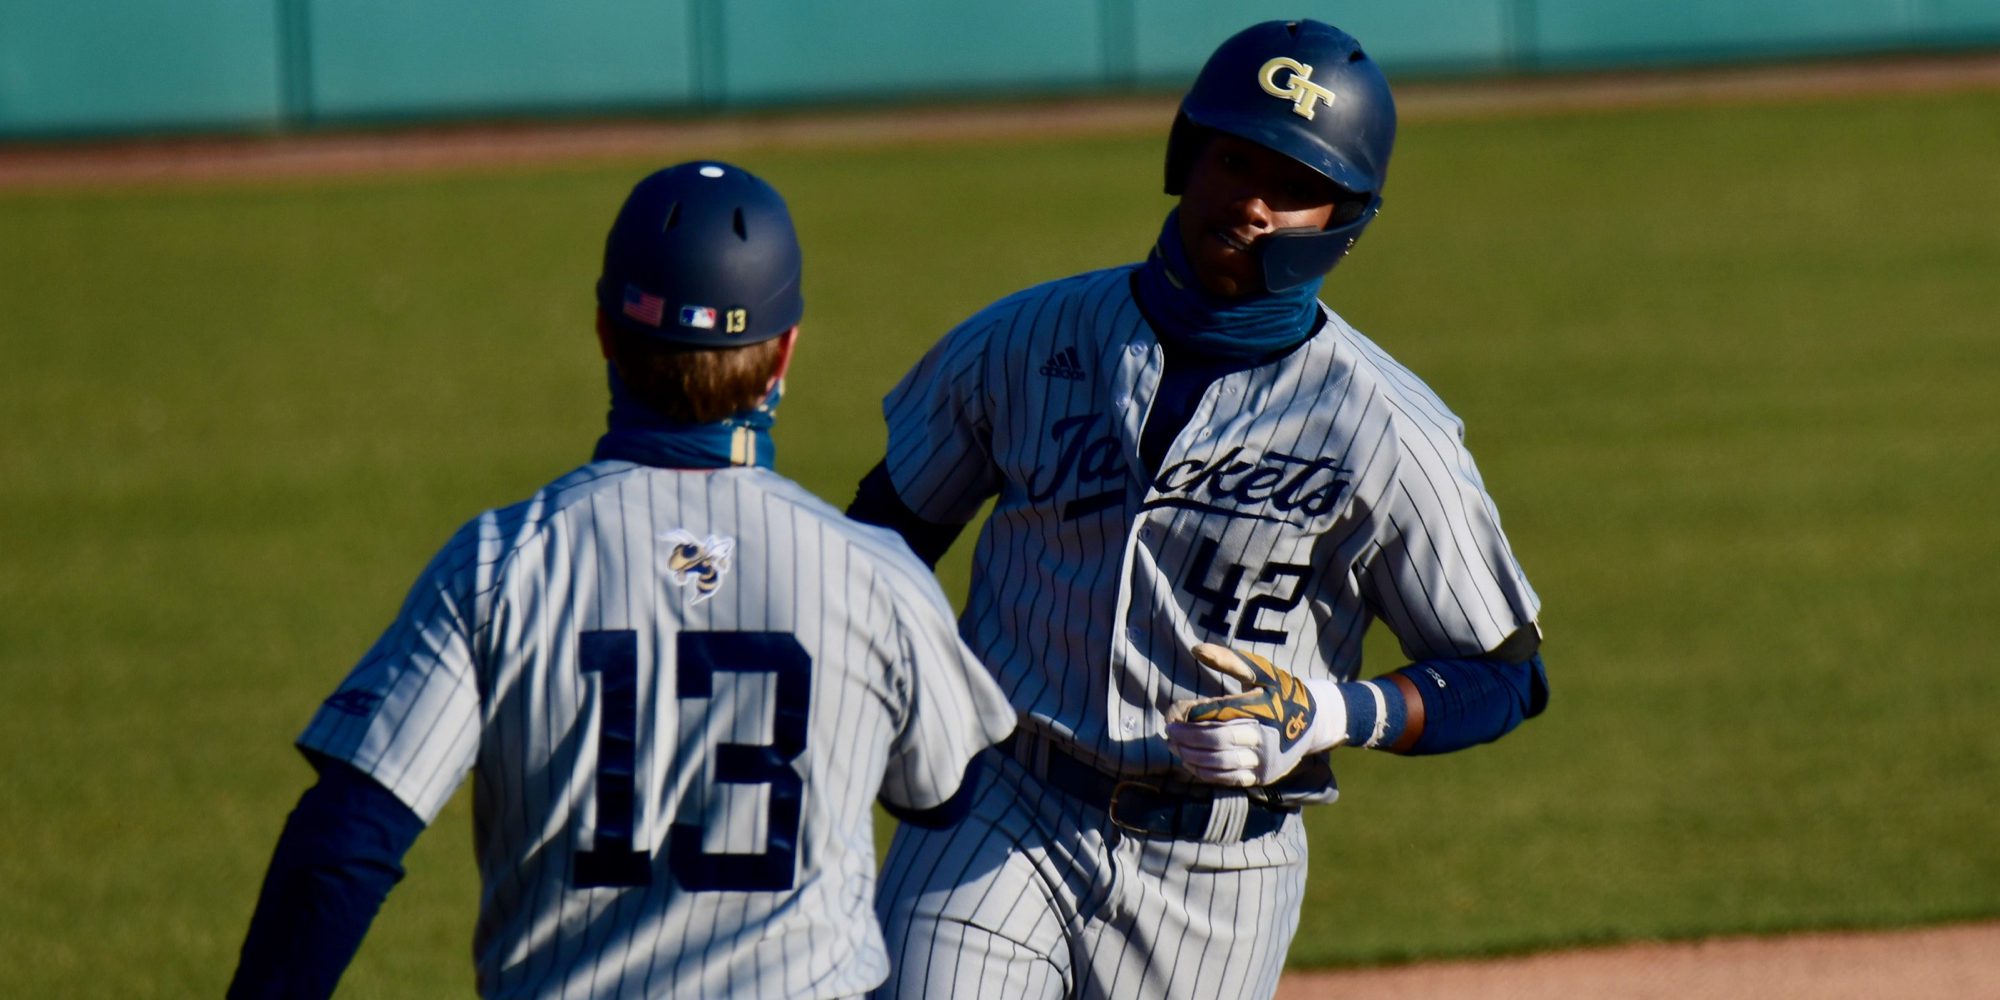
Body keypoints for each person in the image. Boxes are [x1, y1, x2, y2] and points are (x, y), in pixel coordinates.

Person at [847, 20, 1547, 1000]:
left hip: (1221, 868)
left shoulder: (1389, 432)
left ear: (1342, 215)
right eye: (1234, 160)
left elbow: (1503, 675)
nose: (1253, 200)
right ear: (1186, 157)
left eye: (1293, 185)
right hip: (1001, 806)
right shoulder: (1022, 339)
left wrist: (1335, 713)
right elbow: (882, 540)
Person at [227, 161, 1017, 999]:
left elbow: (345, 843)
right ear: (784, 352)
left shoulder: (503, 563)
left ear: (606, 332)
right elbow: (942, 796)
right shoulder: (873, 575)